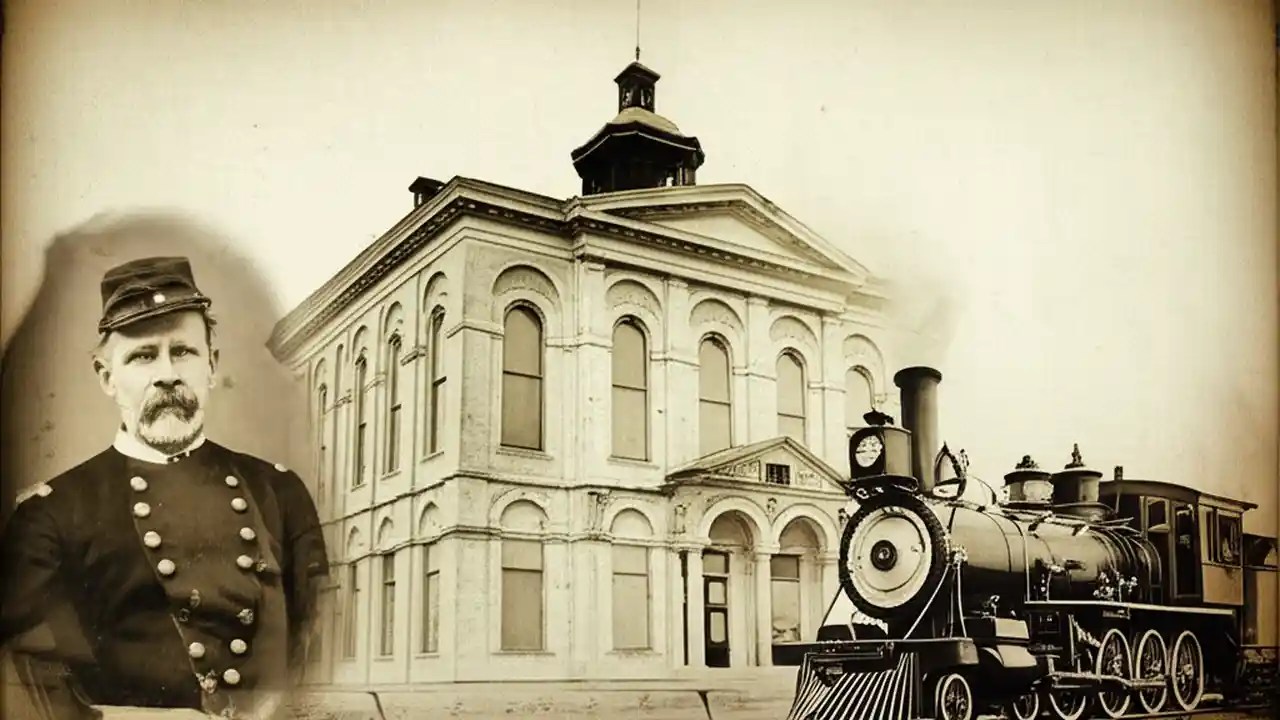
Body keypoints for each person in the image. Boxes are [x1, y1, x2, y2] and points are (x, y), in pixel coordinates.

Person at [0, 256, 329, 719]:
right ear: (107, 377)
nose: (168, 374)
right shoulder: (51, 515)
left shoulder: (280, 493)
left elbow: (320, 643)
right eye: (143, 355)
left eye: (184, 351)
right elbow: (30, 684)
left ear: (211, 365)